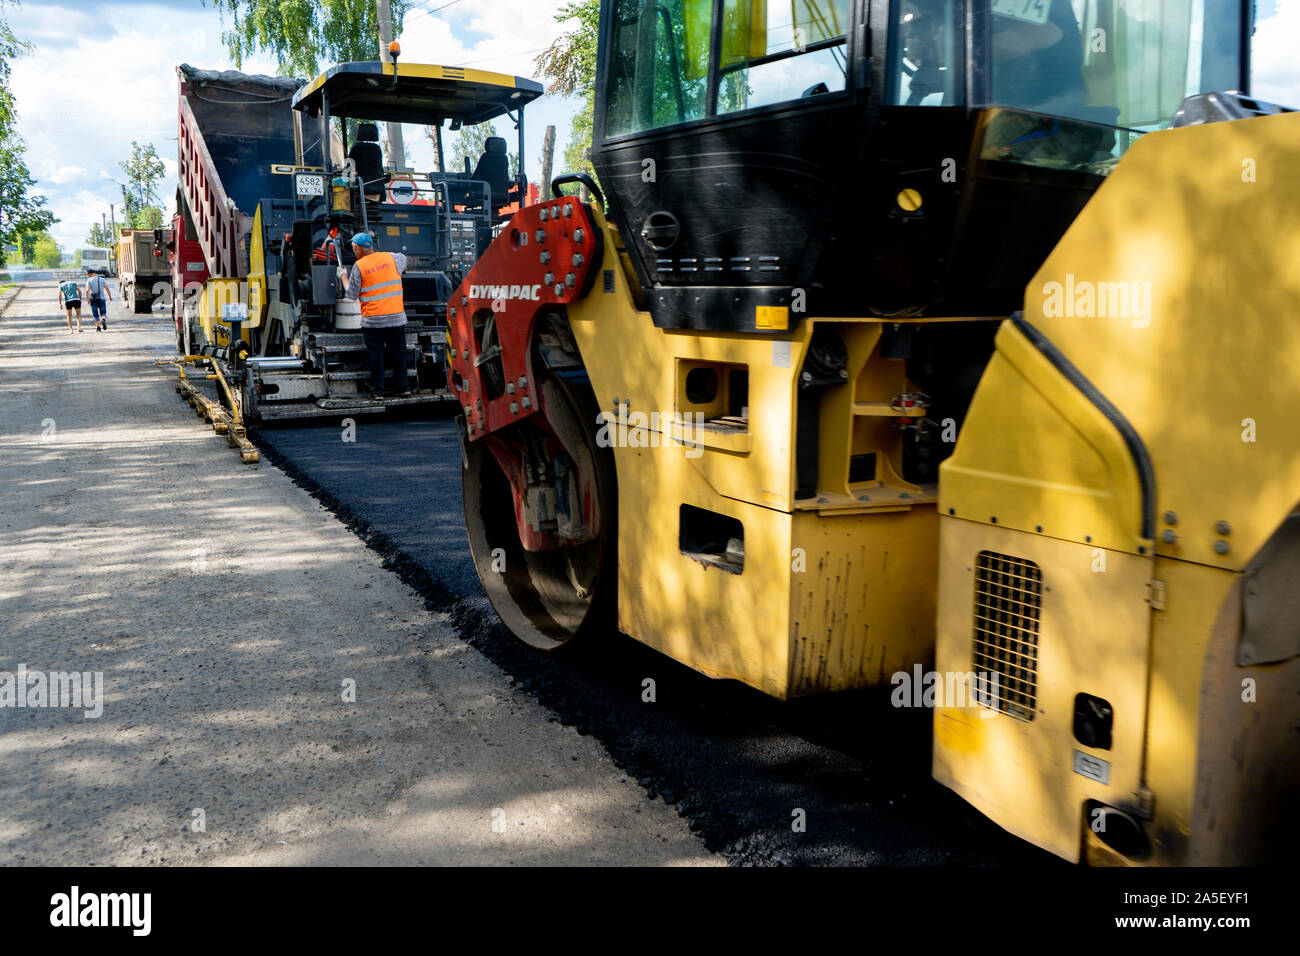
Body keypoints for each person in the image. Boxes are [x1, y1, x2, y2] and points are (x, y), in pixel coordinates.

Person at [340, 232, 411, 400]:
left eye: (353, 248)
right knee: (399, 353)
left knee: (376, 356)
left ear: (357, 248)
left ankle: (378, 392)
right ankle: (403, 388)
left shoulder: (360, 266)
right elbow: (404, 260)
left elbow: (351, 295)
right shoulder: (393, 258)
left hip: (374, 320)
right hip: (396, 317)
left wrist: (343, 277)